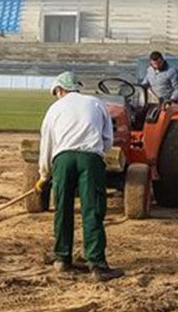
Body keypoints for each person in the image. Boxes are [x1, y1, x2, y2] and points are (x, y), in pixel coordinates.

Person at [35, 71, 124, 282]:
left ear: (60, 90)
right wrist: (96, 154)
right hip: (90, 159)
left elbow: (47, 144)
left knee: (63, 208)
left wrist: (44, 174)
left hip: (63, 159)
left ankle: (62, 259)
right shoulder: (96, 103)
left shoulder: (54, 109)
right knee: (92, 210)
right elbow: (107, 139)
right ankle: (97, 265)